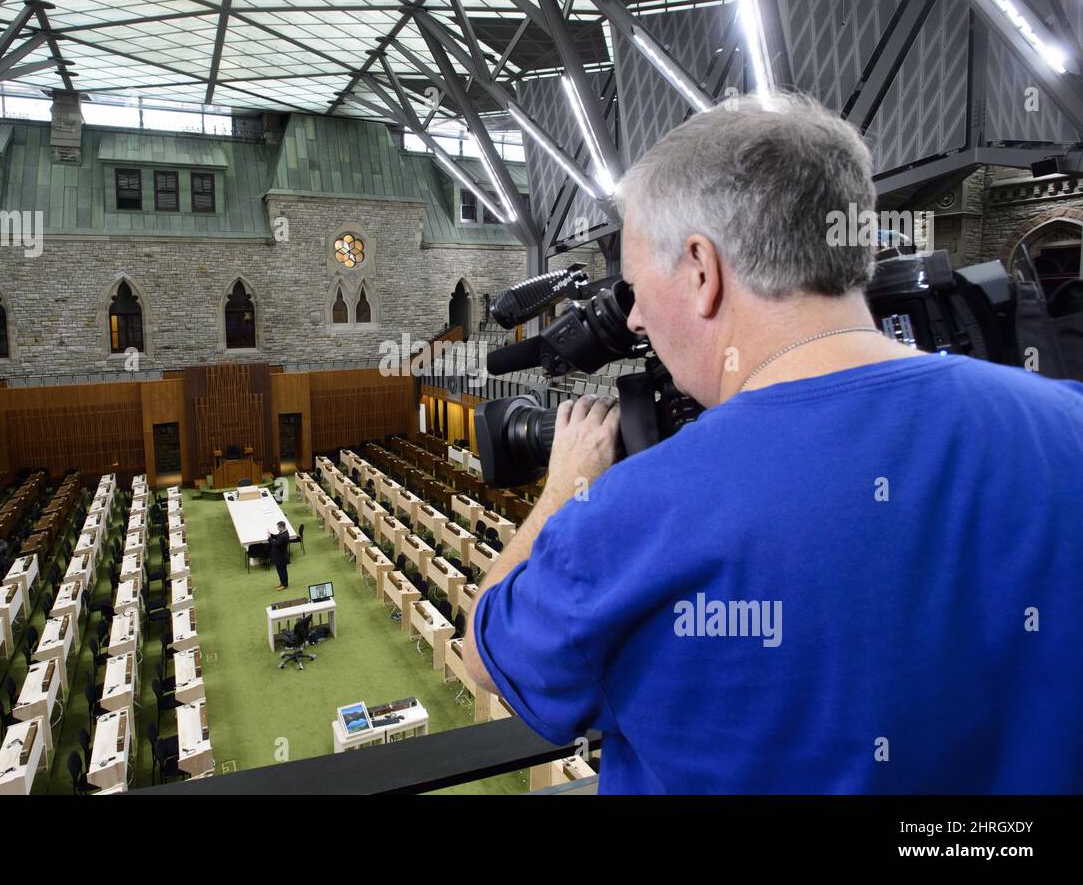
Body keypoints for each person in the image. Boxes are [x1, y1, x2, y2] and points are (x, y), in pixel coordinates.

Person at [461, 92, 1083, 794]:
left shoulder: (634, 514)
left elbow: (487, 654)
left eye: (636, 286)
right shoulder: (1067, 423)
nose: (633, 318)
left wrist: (563, 490)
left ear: (701, 270)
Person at [268, 521, 292, 591]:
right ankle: (282, 583)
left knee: (282, 571)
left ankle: (285, 585)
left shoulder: (284, 536)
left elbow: (275, 544)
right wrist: (271, 535)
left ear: (282, 527)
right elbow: (277, 537)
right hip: (279, 556)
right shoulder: (282, 532)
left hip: (282, 557)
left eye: (278, 527)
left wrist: (269, 538)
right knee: (279, 571)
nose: (277, 528)